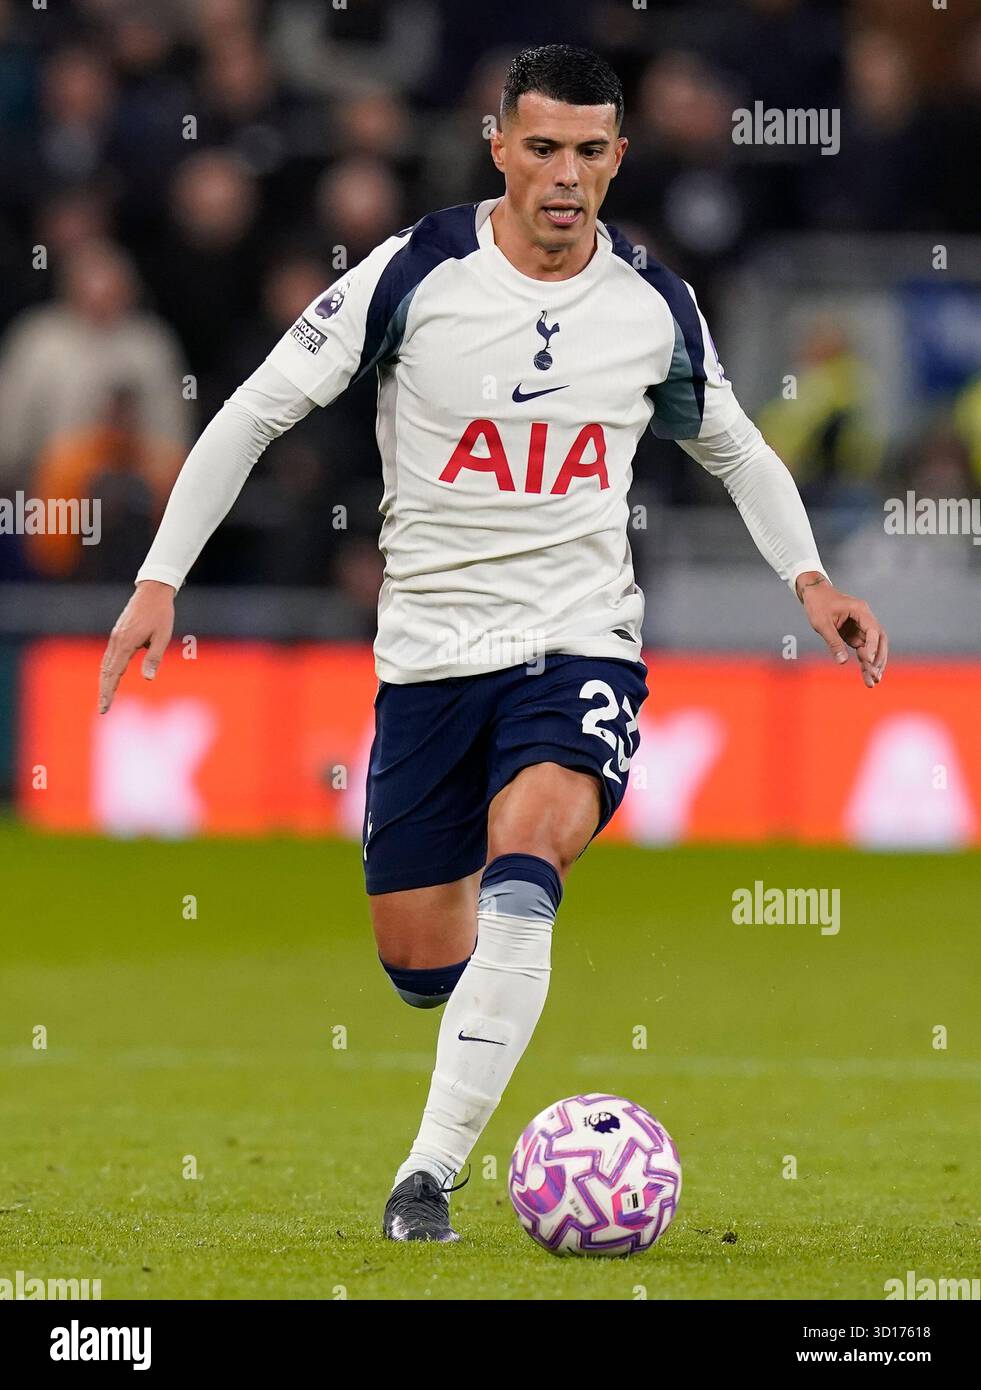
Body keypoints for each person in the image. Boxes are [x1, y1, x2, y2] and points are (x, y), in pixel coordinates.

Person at [98, 44, 888, 1243]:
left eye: (588, 152)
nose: (564, 176)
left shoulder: (651, 303)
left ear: (618, 158)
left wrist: (811, 578)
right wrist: (160, 580)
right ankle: (489, 996)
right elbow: (258, 405)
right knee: (422, 961)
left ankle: (427, 1175)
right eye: (541, 148)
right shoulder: (417, 271)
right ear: (498, 146)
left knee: (530, 862)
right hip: (426, 658)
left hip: (581, 643)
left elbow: (730, 443)